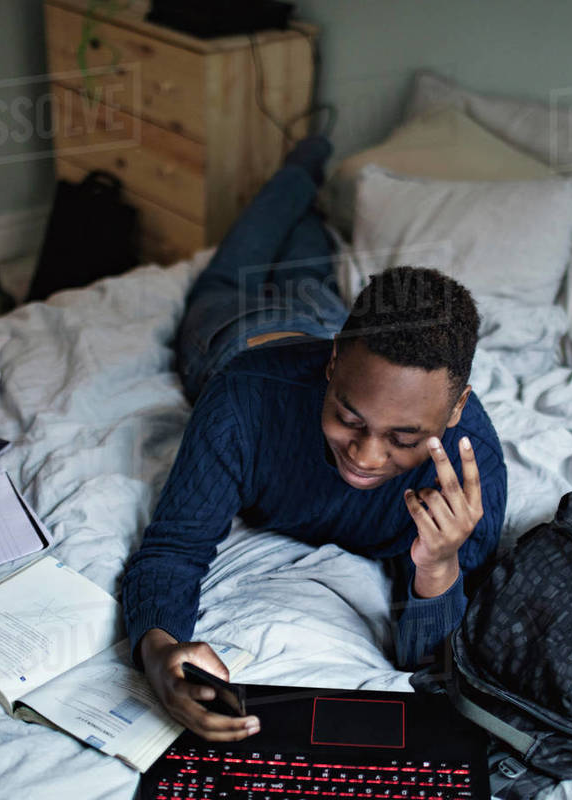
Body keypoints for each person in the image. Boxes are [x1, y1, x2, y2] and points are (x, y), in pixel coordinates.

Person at [121, 137, 507, 742]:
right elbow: (173, 548)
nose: (367, 455)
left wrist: (438, 563)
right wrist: (159, 651)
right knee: (229, 270)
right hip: (239, 336)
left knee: (309, 269)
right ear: (333, 367)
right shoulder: (240, 401)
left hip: (326, 322)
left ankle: (312, 208)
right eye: (349, 420)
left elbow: (428, 661)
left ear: (456, 408)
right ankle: (301, 164)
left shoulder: (468, 465)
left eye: (404, 438)